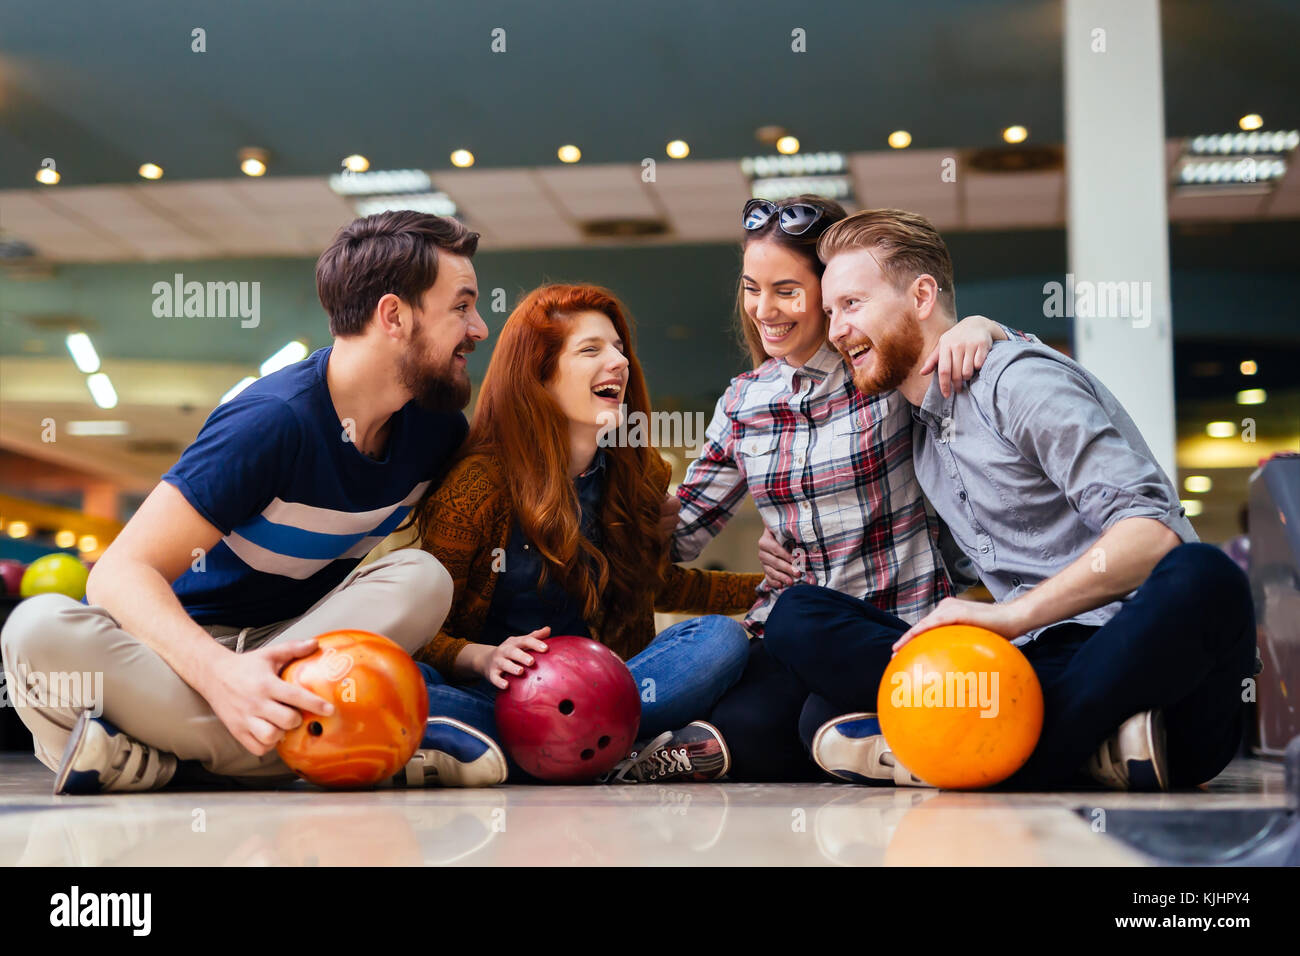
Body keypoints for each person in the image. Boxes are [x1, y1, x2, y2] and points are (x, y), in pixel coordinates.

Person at [0, 211, 503, 793]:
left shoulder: (433, 432)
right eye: (462, 306)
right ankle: (315, 748)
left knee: (422, 578)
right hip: (177, 654)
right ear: (394, 315)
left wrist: (477, 655)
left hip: (296, 647)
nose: (479, 328)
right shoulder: (273, 420)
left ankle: (156, 756)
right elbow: (117, 574)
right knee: (34, 631)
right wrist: (221, 675)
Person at [765, 207, 1255, 791]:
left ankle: (984, 754)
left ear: (922, 295)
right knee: (797, 618)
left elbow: (1152, 536)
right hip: (1032, 666)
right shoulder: (916, 425)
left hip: (1135, 652)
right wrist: (785, 530)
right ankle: (1082, 747)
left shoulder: (1016, 383)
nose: (837, 329)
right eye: (830, 312)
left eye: (852, 305)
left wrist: (1008, 618)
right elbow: (793, 393)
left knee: (1206, 575)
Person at [670, 195, 1033, 780]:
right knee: (746, 725)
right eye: (750, 288)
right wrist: (593, 470)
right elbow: (679, 531)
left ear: (831, 290)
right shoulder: (743, 400)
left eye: (786, 290)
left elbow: (965, 356)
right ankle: (897, 742)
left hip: (891, 627)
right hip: (793, 638)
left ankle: (922, 736)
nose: (765, 310)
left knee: (802, 713)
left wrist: (981, 326)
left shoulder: (883, 369)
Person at [368, 283, 762, 784]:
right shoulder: (480, 482)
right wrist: (483, 657)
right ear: (540, 374)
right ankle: (611, 753)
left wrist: (769, 586)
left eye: (619, 348)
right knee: (406, 685)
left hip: (610, 695)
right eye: (591, 349)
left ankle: (520, 756)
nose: (618, 362)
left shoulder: (638, 475)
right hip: (498, 696)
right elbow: (422, 631)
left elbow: (654, 584)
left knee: (720, 639)